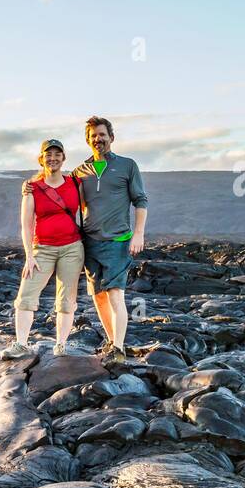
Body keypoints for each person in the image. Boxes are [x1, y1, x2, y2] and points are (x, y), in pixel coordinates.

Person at [72, 116, 148, 364]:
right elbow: (66, 200)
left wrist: (139, 233)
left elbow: (140, 201)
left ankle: (119, 348)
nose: (98, 139)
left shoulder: (127, 166)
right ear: (88, 140)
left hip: (119, 240)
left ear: (111, 138)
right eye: (93, 136)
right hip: (90, 242)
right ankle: (111, 341)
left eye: (102, 135)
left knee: (115, 292)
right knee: (98, 295)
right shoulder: (79, 172)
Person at [4, 138, 84, 358]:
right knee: (26, 294)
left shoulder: (75, 184)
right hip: (43, 249)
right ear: (41, 159)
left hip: (72, 248)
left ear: (63, 158)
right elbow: (26, 225)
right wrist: (29, 256)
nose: (53, 158)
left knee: (67, 298)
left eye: (57, 154)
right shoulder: (33, 189)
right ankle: (21, 344)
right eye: (48, 154)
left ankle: (61, 345)